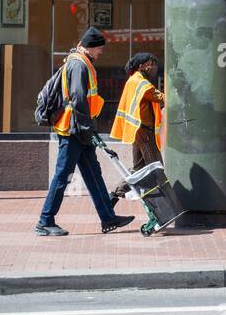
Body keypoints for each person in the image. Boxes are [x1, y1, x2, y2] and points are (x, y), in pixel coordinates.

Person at [36, 27, 135, 236]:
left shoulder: (83, 62)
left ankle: (108, 218)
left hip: (80, 129)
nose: (101, 53)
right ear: (90, 47)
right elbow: (78, 98)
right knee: (63, 176)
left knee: (93, 175)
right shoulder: (78, 64)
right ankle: (45, 221)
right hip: (73, 131)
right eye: (99, 49)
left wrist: (87, 129)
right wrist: (86, 129)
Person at [109, 52, 165, 208]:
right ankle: (162, 207)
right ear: (141, 66)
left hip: (138, 131)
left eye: (154, 63)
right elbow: (160, 97)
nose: (153, 67)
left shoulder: (133, 81)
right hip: (144, 132)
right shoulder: (141, 83)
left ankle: (113, 195)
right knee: (156, 168)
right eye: (150, 64)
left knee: (139, 169)